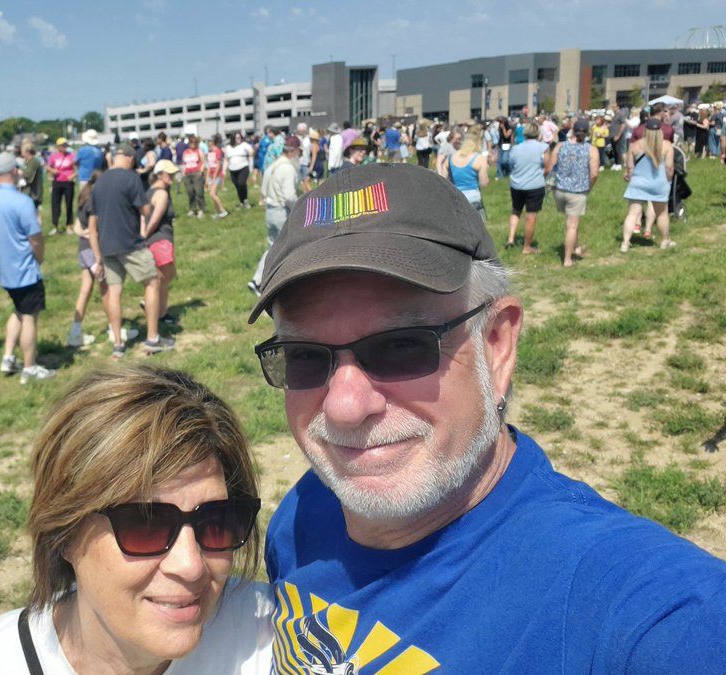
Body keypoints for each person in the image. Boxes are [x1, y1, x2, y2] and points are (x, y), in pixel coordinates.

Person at [246, 162, 726, 673]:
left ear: (497, 346)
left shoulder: (641, 610)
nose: (343, 406)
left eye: (401, 346)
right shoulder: (302, 515)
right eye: (303, 355)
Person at [0, 365, 272, 674]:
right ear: (63, 534)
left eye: (216, 521)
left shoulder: (278, 639)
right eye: (145, 525)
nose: (190, 565)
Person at [89, 144, 174, 358]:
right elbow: (145, 209)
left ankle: (118, 344)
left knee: (114, 292)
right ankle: (153, 338)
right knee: (153, 281)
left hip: (107, 245)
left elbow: (95, 218)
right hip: (130, 243)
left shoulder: (99, 183)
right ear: (129, 158)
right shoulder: (131, 178)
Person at [0, 152, 55, 383]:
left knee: (19, 310)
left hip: (3, 269)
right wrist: (39, 259)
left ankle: (8, 356)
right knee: (30, 317)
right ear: (14, 171)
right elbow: (36, 238)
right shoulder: (22, 201)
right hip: (24, 270)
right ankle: (30, 367)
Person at [249, 136, 300, 297]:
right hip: (281, 211)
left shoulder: (272, 166)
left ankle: (258, 279)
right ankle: (275, 282)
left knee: (273, 247)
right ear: (293, 151)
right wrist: (299, 208)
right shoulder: (288, 168)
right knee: (288, 248)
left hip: (270, 210)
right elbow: (289, 196)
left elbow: (263, 190)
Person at [546, 119, 599, 267]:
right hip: (578, 191)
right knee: (572, 226)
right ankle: (568, 259)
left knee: (571, 222)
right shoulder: (591, 149)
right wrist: (589, 187)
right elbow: (594, 174)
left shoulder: (560, 146)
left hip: (560, 190)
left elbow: (550, 167)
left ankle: (576, 247)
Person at [620, 118, 675, 253]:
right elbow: (669, 168)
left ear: (645, 130)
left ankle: (625, 242)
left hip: (638, 183)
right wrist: (669, 180)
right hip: (659, 183)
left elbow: (630, 168)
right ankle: (664, 240)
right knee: (662, 214)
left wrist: (629, 176)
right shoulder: (667, 145)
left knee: (632, 213)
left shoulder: (635, 145)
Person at [66, 170, 103, 349]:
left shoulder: (83, 197)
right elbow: (93, 229)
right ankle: (113, 328)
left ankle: (75, 331)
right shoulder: (93, 202)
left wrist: (82, 232)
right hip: (92, 249)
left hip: (82, 248)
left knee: (86, 289)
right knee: (107, 289)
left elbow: (78, 226)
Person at [142, 160, 181, 325]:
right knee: (162, 278)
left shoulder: (148, 192)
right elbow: (154, 220)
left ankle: (160, 312)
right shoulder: (162, 194)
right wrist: (145, 235)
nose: (172, 176)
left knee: (166, 276)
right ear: (159, 174)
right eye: (169, 173)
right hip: (161, 240)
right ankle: (155, 309)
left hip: (155, 241)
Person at [505, 122, 547, 251]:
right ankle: (527, 247)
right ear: (538, 133)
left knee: (516, 210)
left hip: (517, 185)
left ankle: (511, 238)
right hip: (535, 185)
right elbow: (547, 166)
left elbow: (510, 164)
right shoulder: (543, 147)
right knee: (531, 216)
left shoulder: (515, 148)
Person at [443, 126, 490, 222]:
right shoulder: (479, 159)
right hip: (473, 198)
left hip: (456, 198)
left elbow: (443, 178)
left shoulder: (451, 157)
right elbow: (483, 183)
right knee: (477, 231)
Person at [46, 138, 76, 235]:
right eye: (62, 145)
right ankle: (55, 226)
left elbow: (78, 167)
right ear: (58, 146)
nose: (64, 147)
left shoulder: (72, 156)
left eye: (65, 145)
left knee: (69, 204)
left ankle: (68, 226)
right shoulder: (54, 156)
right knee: (55, 205)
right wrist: (52, 170)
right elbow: (47, 167)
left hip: (68, 182)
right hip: (57, 182)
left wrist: (74, 175)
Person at [225, 132, 253, 209]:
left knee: (241, 184)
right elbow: (226, 159)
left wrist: (250, 156)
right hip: (232, 169)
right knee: (237, 186)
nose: (239, 139)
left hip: (243, 167)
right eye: (237, 138)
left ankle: (246, 200)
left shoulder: (244, 145)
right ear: (233, 138)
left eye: (240, 137)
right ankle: (242, 202)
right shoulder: (228, 147)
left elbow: (251, 152)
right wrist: (224, 170)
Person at [180, 135, 206, 219]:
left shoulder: (199, 151)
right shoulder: (186, 152)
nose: (192, 144)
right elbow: (184, 163)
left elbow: (203, 162)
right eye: (191, 142)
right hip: (188, 173)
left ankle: (201, 209)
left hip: (196, 173)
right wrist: (183, 173)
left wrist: (201, 171)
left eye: (194, 142)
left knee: (198, 192)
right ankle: (192, 208)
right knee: (190, 192)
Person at [20, 140, 45, 220]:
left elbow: (28, 175)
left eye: (23, 151)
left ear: (27, 152)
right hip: (28, 193)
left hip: (33, 194)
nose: (21, 153)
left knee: (34, 215)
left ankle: (37, 231)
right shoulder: (28, 162)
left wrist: (19, 172)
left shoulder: (33, 162)